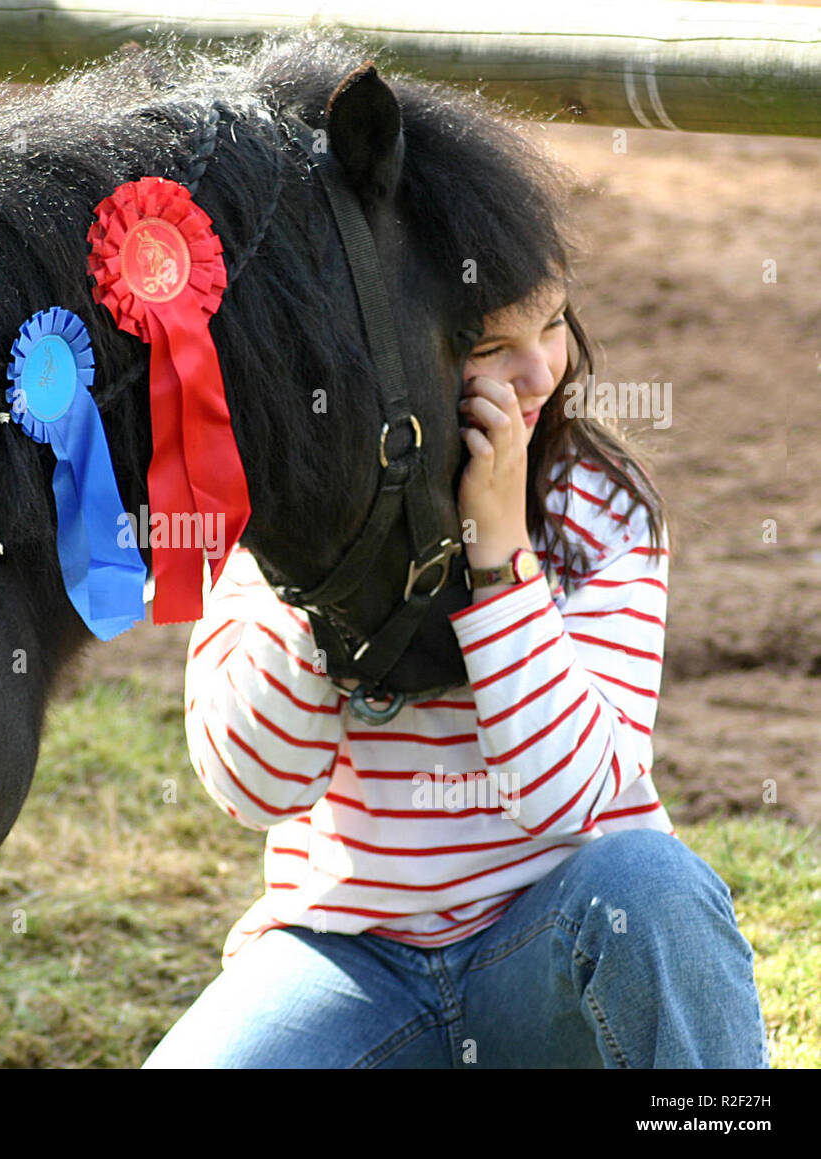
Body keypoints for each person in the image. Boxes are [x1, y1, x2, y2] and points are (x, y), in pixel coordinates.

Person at [142, 276, 770, 1069]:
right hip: (353, 959)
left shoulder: (602, 503)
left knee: (652, 882)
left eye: (551, 324)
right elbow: (255, 786)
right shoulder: (279, 505)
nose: (542, 372)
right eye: (492, 348)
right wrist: (323, 570)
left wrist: (503, 555)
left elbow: (567, 796)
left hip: (554, 949)